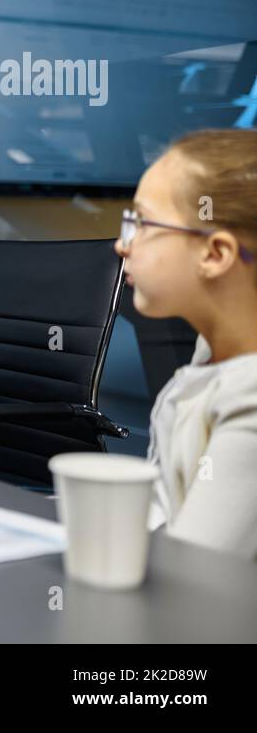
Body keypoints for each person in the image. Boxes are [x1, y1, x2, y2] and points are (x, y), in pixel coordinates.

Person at [114, 129, 257, 559]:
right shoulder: (210, 356)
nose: (123, 244)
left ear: (214, 255)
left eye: (141, 223)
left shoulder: (248, 399)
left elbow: (192, 581)